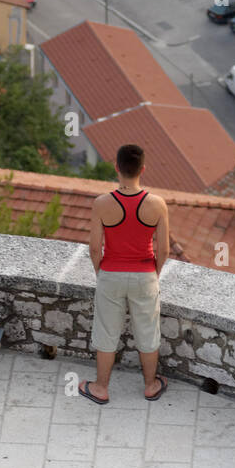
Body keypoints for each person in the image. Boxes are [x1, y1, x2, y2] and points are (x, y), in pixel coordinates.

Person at [78, 143, 169, 405]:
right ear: (143, 169)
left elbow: (95, 248)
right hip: (145, 275)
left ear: (116, 168)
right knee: (148, 332)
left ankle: (100, 388)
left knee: (107, 332)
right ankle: (151, 385)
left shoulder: (102, 204)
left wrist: (101, 272)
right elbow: (163, 250)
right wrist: (154, 273)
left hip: (110, 274)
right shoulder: (157, 204)